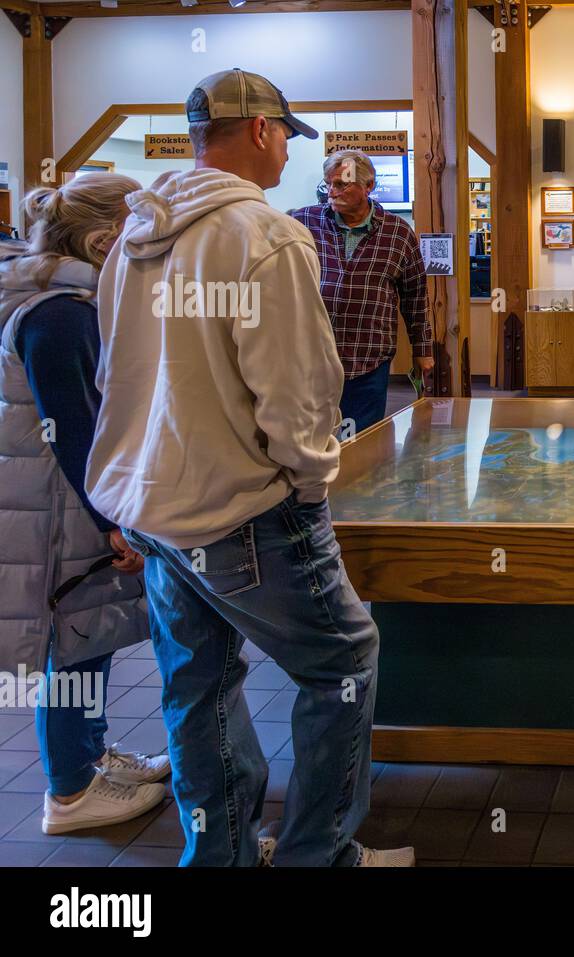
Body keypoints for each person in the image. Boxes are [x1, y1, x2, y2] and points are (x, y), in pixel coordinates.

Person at [85, 69, 412, 867]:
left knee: (198, 683)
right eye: (287, 140)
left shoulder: (134, 238)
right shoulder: (265, 237)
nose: (290, 160)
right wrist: (309, 486)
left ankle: (224, 852)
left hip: (154, 506)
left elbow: (114, 376)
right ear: (262, 131)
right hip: (246, 508)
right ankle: (318, 851)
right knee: (342, 661)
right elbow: (298, 392)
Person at [0, 174, 171, 835]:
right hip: (60, 511)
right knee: (72, 642)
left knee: (87, 636)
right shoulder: (60, 311)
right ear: (106, 239)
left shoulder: (62, 297)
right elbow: (73, 428)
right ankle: (71, 789)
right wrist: (115, 523)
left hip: (61, 503)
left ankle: (88, 758)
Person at [291, 149, 431, 434]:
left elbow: (416, 298)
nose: (332, 191)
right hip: (310, 358)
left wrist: (423, 351)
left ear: (369, 186)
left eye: (342, 184)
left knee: (365, 440)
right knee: (309, 439)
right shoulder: (303, 222)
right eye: (329, 183)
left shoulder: (398, 233)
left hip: (369, 358)